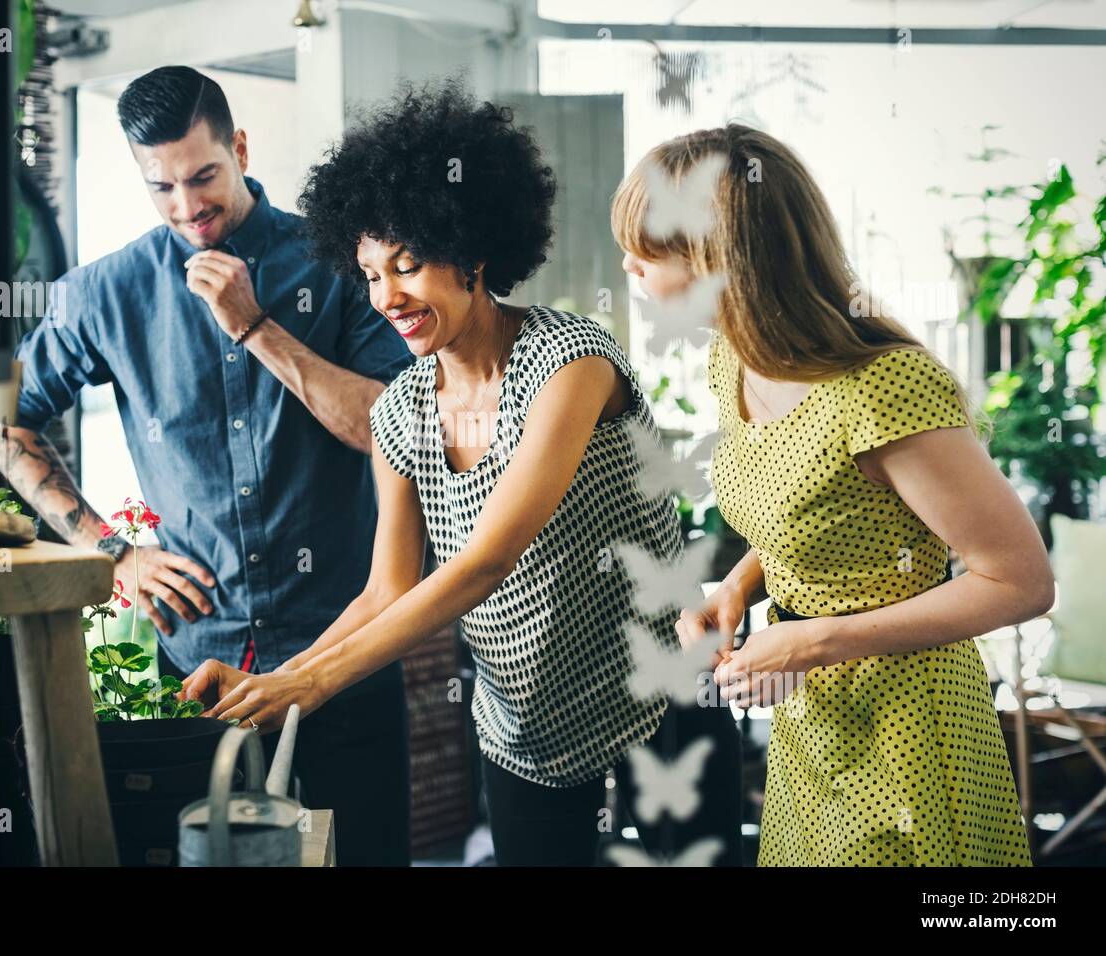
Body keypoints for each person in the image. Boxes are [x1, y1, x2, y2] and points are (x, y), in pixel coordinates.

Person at [180, 80, 743, 867]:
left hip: (659, 705)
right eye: (370, 273)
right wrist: (275, 682)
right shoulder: (403, 410)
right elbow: (387, 590)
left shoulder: (569, 361)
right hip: (526, 732)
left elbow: (486, 560)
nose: (386, 296)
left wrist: (311, 687)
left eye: (406, 265)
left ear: (473, 252)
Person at [0, 66, 414, 866]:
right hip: (199, 678)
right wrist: (111, 552)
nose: (187, 206)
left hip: (348, 653)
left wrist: (253, 326)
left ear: (239, 148)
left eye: (204, 175)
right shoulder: (104, 294)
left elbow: (396, 428)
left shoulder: (341, 265)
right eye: (162, 187)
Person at [614, 123, 1046, 865]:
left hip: (910, 723)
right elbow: (815, 506)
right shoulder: (734, 362)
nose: (628, 267)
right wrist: (742, 588)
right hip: (810, 715)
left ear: (718, 257)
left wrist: (811, 639)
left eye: (647, 248)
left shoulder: (884, 388)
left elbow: (1021, 581)